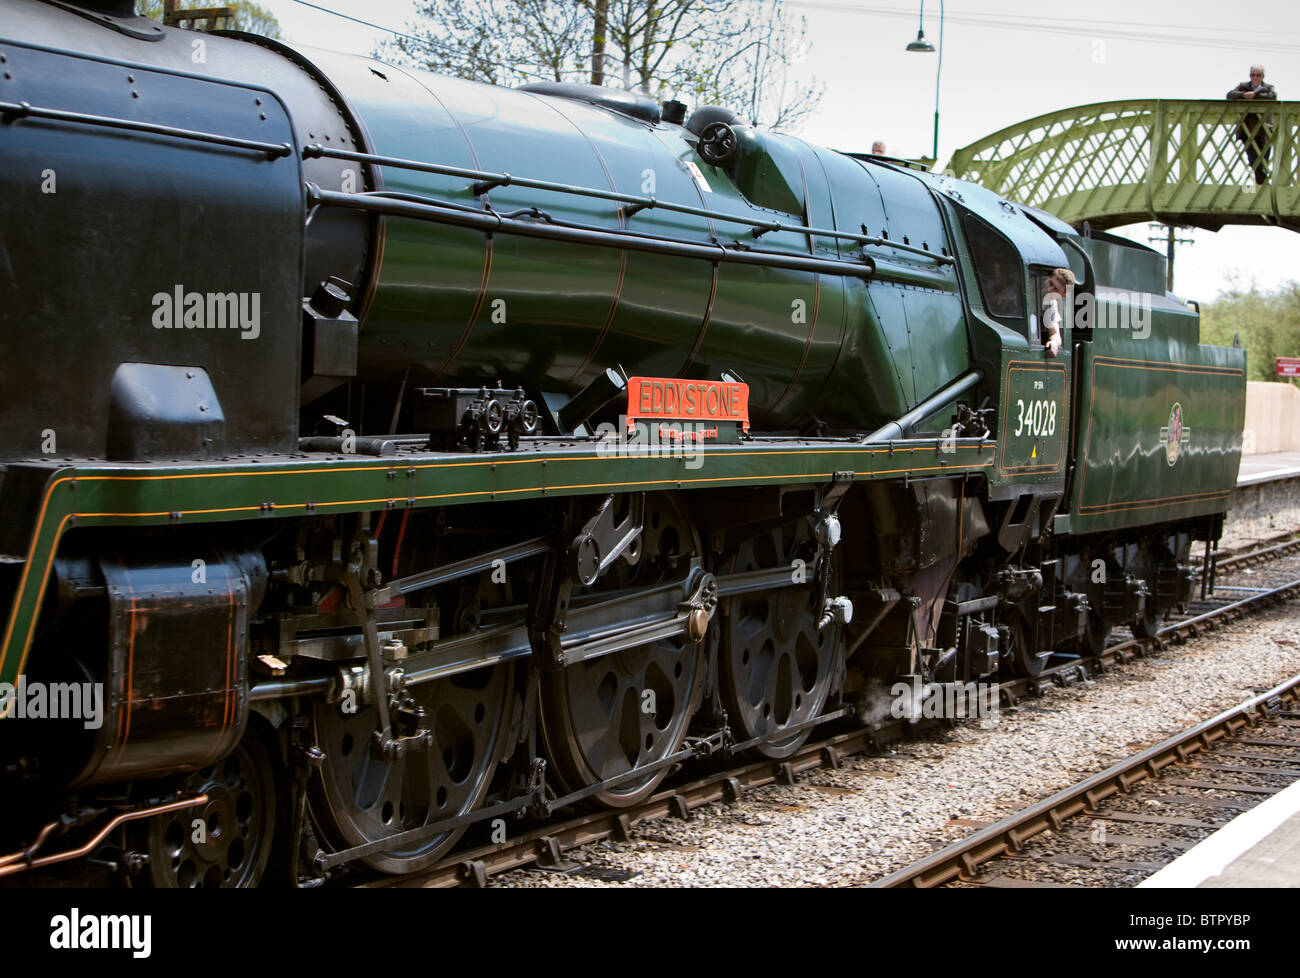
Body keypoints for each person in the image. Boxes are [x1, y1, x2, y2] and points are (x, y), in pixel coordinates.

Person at [1226, 65, 1278, 184]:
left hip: (1263, 130)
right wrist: (1244, 95)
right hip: (1247, 130)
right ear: (1250, 76)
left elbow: (1273, 97)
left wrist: (1255, 95)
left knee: (1263, 161)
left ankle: (1262, 184)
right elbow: (1230, 95)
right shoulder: (1243, 87)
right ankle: (1263, 185)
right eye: (1253, 75)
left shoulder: (1268, 88)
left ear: (1262, 77)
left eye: (1258, 75)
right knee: (1253, 161)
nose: (1255, 77)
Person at [1041, 268, 1075, 358]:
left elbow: (1055, 334)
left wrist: (1053, 342)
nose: (1049, 289)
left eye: (1056, 289)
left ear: (1062, 295)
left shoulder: (1051, 304)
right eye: (1050, 283)